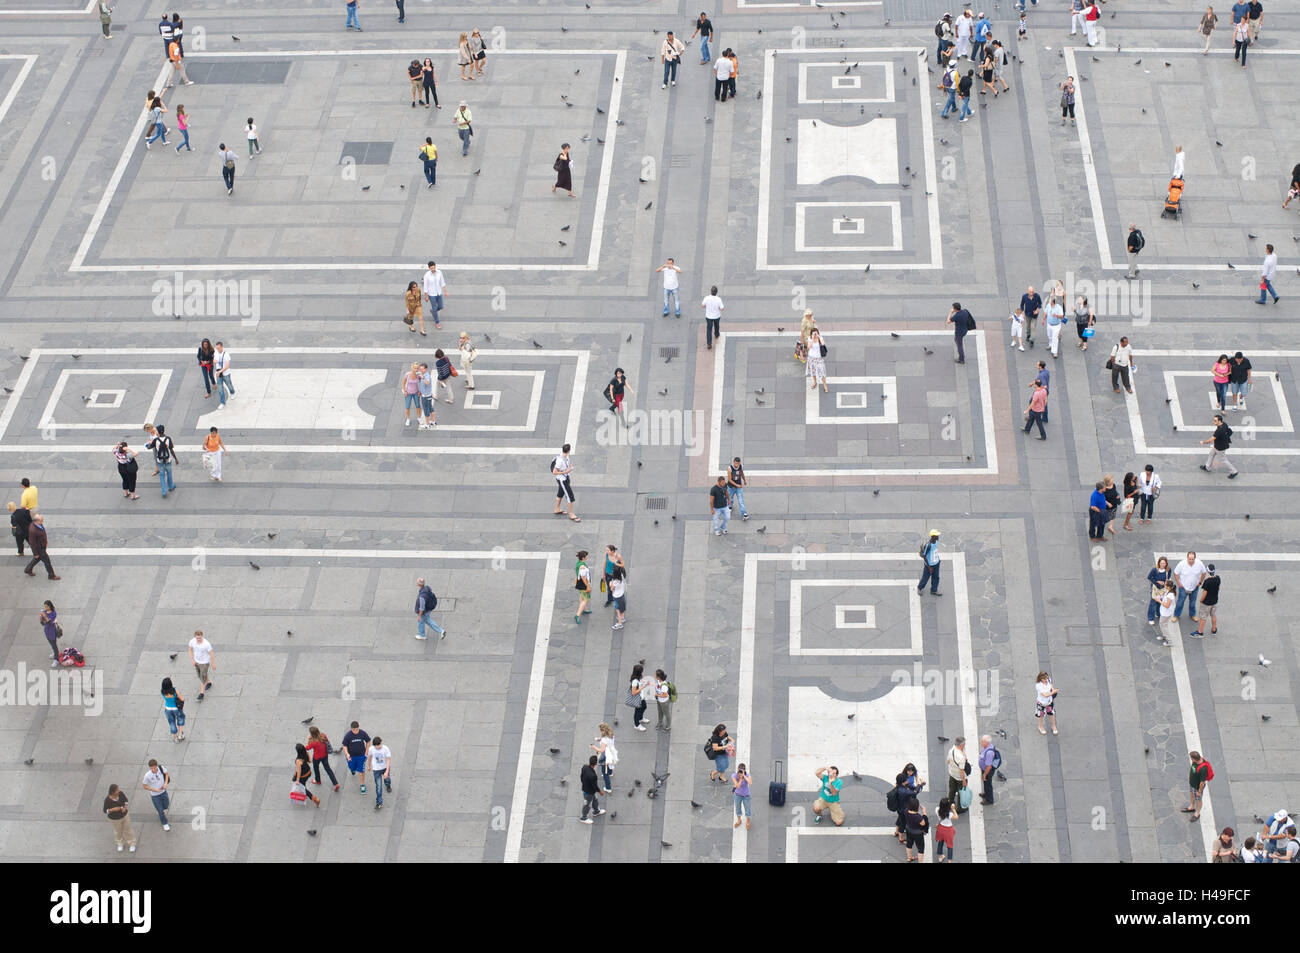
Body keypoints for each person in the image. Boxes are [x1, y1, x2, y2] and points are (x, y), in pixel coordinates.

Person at [146, 423, 177, 497]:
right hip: (168, 460)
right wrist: (176, 459)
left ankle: (164, 491)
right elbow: (171, 450)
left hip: (160, 461)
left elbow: (149, 447)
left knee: (162, 476)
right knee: (169, 474)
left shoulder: (156, 440)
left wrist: (147, 444)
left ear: (158, 432)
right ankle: (171, 486)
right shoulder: (168, 438)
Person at [24, 514, 59, 580]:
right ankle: (51, 575)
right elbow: (32, 543)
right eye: (41, 520)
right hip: (40, 549)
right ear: (36, 521)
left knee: (37, 559)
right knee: (47, 562)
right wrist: (35, 553)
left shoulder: (38, 524)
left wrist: (45, 541)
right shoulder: (33, 530)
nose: (42, 521)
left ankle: (27, 569)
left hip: (42, 546)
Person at [551, 444, 579, 521]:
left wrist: (570, 467)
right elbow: (554, 472)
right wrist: (566, 471)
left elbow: (568, 462)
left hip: (565, 478)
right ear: (569, 450)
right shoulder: (560, 461)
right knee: (570, 496)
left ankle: (557, 509)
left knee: (560, 493)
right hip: (562, 480)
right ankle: (571, 514)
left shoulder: (565, 455)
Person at [103, 784, 135, 852]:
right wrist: (113, 809)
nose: (119, 790)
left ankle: (131, 843)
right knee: (118, 831)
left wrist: (125, 808)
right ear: (113, 792)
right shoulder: (107, 800)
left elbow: (126, 801)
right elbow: (105, 810)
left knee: (128, 830)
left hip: (124, 815)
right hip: (114, 819)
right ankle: (120, 843)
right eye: (117, 790)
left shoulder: (121, 794)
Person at [306, 725, 339, 791]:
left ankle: (318, 780)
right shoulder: (323, 735)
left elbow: (307, 748)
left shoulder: (313, 742)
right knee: (328, 769)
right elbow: (327, 741)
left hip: (316, 757)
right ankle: (336, 783)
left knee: (316, 768)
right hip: (325, 755)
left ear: (312, 734)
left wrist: (309, 740)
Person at [341, 721, 371, 793]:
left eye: (357, 729)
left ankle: (362, 784)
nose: (355, 731)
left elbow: (368, 741)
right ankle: (353, 770)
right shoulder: (348, 735)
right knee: (352, 767)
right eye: (354, 730)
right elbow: (344, 746)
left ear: (359, 727)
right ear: (351, 729)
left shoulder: (362, 733)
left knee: (361, 770)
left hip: (361, 756)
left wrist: (367, 751)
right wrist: (347, 753)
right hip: (351, 757)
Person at [142, 759, 170, 830]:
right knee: (160, 811)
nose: (153, 769)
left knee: (166, 805)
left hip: (163, 792)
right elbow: (144, 785)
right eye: (151, 768)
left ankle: (161, 810)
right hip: (155, 796)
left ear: (156, 766)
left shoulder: (161, 768)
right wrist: (154, 790)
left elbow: (166, 774)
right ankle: (165, 823)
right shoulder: (147, 775)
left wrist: (165, 783)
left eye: (154, 767)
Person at [1194, 564, 1221, 637]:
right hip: (1214, 601)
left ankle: (1200, 632)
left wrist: (1201, 600)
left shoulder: (1207, 581)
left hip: (1206, 602)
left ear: (1207, 571)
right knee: (1213, 615)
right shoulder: (1218, 578)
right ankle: (1214, 629)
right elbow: (1218, 588)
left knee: (1203, 617)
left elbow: (1205, 593)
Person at [367, 736, 392, 810]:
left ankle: (388, 785)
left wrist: (387, 771)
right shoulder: (371, 749)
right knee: (378, 786)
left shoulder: (386, 749)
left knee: (387, 779)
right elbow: (370, 757)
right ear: (374, 745)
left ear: (381, 742)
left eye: (380, 745)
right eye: (377, 746)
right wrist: (368, 765)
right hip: (376, 770)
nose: (379, 747)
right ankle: (379, 803)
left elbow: (388, 760)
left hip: (385, 768)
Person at [591, 722, 617, 794]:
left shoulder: (604, 740)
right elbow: (607, 741)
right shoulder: (611, 734)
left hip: (606, 756)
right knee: (609, 766)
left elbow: (601, 750)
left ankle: (608, 788)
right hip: (611, 753)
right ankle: (610, 772)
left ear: (603, 731)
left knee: (604, 772)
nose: (599, 731)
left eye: (600, 730)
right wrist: (600, 739)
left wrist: (594, 747)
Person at [1146, 555, 1172, 626]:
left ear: (1166, 563)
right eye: (1161, 563)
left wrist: (1166, 583)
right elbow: (1149, 577)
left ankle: (1158, 613)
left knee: (1160, 602)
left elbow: (1168, 577)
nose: (1163, 565)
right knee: (1153, 603)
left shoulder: (1168, 569)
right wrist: (1157, 582)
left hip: (1163, 589)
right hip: (1156, 589)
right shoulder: (1155, 570)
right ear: (1159, 563)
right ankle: (1151, 618)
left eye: (1164, 563)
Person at [188, 630, 214, 699]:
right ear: (195, 637)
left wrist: (213, 663)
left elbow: (211, 654)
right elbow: (190, 650)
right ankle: (209, 682)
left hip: (205, 662)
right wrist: (192, 660)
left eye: (200, 638)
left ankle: (201, 693)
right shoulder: (192, 641)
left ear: (202, 636)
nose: (198, 639)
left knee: (202, 677)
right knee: (200, 675)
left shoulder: (206, 644)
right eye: (197, 638)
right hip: (197, 661)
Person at [945, 738, 969, 812]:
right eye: (964, 744)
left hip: (952, 774)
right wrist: (964, 781)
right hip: (959, 778)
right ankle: (961, 809)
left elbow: (948, 761)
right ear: (962, 745)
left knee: (952, 790)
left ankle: (950, 803)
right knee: (961, 793)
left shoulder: (951, 750)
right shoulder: (961, 757)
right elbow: (961, 771)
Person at [1184, 751, 1210, 820]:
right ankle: (1192, 807)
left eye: (1191, 758)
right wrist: (1189, 776)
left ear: (1195, 759)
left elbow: (1202, 782)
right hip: (1192, 784)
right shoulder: (1195, 761)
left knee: (1198, 800)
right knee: (1191, 794)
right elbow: (1192, 767)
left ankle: (1197, 813)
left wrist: (1199, 791)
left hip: (1197, 787)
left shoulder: (1203, 769)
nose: (1191, 759)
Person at [579, 755, 604, 823]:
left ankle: (596, 811)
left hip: (586, 789)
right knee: (587, 804)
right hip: (589, 792)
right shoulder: (593, 775)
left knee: (595, 799)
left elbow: (581, 776)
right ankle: (583, 817)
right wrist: (600, 791)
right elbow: (595, 785)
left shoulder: (584, 767)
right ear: (596, 763)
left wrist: (584, 783)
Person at [161, 676, 185, 742]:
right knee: (180, 719)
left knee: (172, 723)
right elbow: (182, 699)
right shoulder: (174, 691)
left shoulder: (162, 692)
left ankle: (175, 738)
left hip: (168, 710)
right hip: (176, 709)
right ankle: (180, 734)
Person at [903, 797, 928, 861]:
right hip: (917, 833)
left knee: (909, 844)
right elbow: (923, 823)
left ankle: (909, 857)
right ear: (916, 808)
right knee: (920, 848)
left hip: (908, 829)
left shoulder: (906, 811)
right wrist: (924, 813)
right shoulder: (918, 816)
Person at [918, 529, 942, 595]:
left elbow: (935, 552)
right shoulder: (928, 545)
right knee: (925, 578)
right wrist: (929, 567)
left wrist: (938, 560)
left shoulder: (936, 542)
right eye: (937, 535)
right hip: (929, 565)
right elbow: (924, 556)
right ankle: (920, 588)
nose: (938, 537)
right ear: (933, 536)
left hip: (936, 563)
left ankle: (934, 590)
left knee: (936, 577)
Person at [602, 544, 626, 608]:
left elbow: (623, 565)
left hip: (616, 576)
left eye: (608, 550)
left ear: (612, 551)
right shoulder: (606, 555)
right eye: (606, 550)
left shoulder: (618, 556)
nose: (606, 551)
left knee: (617, 588)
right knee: (609, 588)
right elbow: (605, 564)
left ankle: (618, 599)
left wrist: (616, 563)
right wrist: (603, 574)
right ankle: (609, 600)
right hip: (608, 574)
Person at [627, 663, 649, 731]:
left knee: (644, 707)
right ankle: (637, 725)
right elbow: (633, 692)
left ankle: (641, 718)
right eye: (641, 671)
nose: (642, 672)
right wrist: (643, 687)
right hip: (638, 698)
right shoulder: (634, 681)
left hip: (641, 697)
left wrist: (643, 684)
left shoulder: (638, 678)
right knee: (637, 711)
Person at [726, 457, 749, 521]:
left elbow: (741, 474)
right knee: (730, 498)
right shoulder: (730, 468)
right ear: (733, 462)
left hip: (739, 487)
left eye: (738, 464)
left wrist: (744, 480)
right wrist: (737, 485)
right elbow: (729, 480)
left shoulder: (740, 466)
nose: (737, 465)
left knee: (741, 500)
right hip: (731, 487)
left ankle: (744, 514)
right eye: (736, 463)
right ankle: (730, 506)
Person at [933, 797, 955, 862]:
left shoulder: (937, 810)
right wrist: (953, 809)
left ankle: (940, 857)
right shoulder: (949, 814)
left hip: (941, 828)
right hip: (948, 830)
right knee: (950, 845)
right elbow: (956, 816)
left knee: (940, 842)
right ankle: (949, 860)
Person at [213, 340, 234, 405]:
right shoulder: (216, 352)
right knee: (220, 389)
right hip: (219, 373)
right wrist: (214, 361)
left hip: (226, 374)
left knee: (229, 385)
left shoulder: (226, 354)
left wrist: (220, 371)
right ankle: (222, 402)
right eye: (216, 348)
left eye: (218, 348)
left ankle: (232, 393)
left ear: (222, 347)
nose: (217, 349)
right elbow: (213, 360)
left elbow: (227, 366)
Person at [573, 550, 592, 624]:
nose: (587, 556)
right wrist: (588, 586)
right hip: (584, 585)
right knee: (586, 599)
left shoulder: (578, 563)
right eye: (587, 555)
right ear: (584, 557)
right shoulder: (582, 566)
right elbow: (583, 577)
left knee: (582, 597)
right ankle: (577, 615)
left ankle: (583, 610)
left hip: (579, 583)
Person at [733, 764, 752, 830]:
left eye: (742, 771)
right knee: (738, 809)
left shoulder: (747, 775)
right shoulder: (734, 776)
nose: (740, 772)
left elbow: (750, 783)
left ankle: (748, 822)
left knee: (748, 809)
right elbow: (737, 786)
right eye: (739, 771)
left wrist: (744, 776)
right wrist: (741, 778)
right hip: (737, 795)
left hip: (746, 795)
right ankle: (739, 820)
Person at [1157, 581, 1178, 646]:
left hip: (1165, 613)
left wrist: (1159, 601)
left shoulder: (1170, 595)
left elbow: (1167, 605)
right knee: (1163, 625)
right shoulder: (1169, 592)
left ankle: (1169, 640)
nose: (1164, 585)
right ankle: (1164, 635)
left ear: (1168, 587)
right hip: (1165, 612)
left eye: (1165, 585)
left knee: (1163, 625)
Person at [40, 600, 59, 667]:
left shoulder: (53, 613)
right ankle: (54, 653)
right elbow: (42, 623)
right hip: (47, 631)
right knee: (50, 643)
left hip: (52, 631)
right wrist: (40, 617)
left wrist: (44, 616)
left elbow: (50, 622)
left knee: (54, 645)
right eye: (45, 607)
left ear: (50, 606)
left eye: (47, 607)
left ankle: (56, 659)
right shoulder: (44, 612)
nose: (45, 608)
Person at [978, 735, 996, 805]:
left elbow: (988, 766)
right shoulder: (987, 747)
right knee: (985, 783)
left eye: (982, 742)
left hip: (987, 771)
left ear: (987, 743)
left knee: (988, 784)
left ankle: (989, 799)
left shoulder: (989, 753)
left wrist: (984, 774)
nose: (981, 743)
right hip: (985, 769)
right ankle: (986, 794)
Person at [608, 566, 627, 630]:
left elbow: (611, 588)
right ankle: (622, 618)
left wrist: (610, 583)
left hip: (617, 596)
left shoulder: (615, 581)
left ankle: (619, 623)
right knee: (622, 607)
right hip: (621, 594)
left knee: (618, 609)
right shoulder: (621, 575)